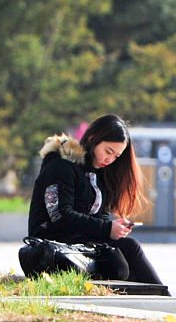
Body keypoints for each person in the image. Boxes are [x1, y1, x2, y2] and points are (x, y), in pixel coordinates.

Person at [26, 113, 163, 285]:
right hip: (51, 246)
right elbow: (59, 216)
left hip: (79, 242)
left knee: (126, 259)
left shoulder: (98, 172)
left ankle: (164, 296)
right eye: (108, 151)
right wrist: (107, 229)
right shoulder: (61, 164)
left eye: (116, 156)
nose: (110, 159)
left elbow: (100, 216)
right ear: (93, 138)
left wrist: (114, 228)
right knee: (125, 254)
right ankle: (165, 296)